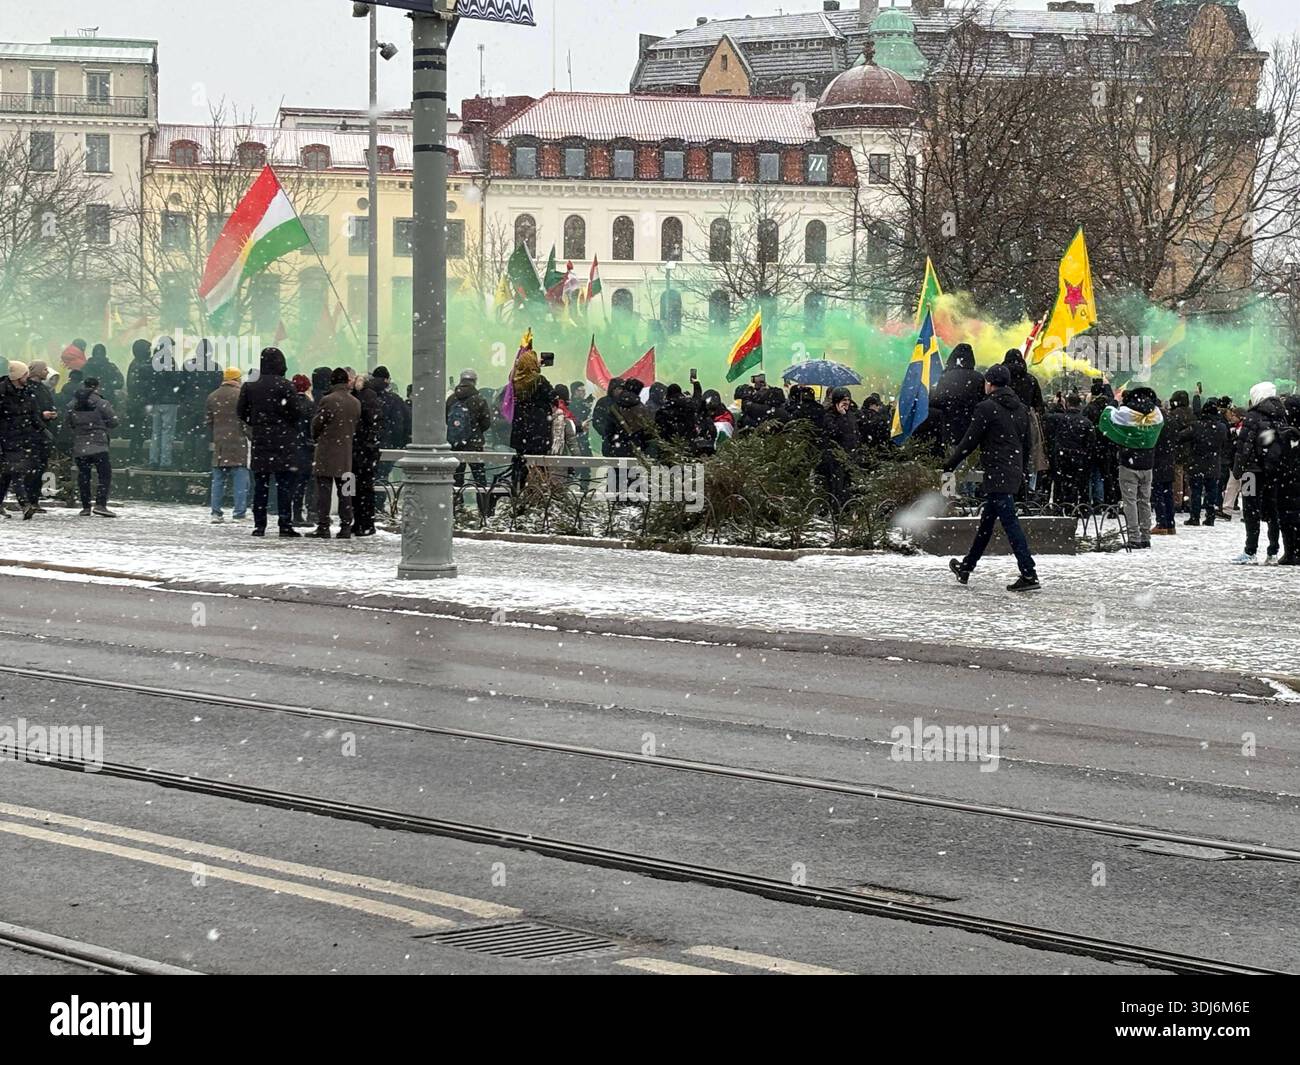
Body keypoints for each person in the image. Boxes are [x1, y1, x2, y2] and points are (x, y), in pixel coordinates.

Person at [944, 364, 1039, 591]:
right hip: (1012, 470)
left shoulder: (986, 408)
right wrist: (1022, 470)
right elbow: (1026, 443)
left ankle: (1029, 573)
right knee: (986, 524)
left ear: (989, 383)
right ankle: (966, 568)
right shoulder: (1021, 408)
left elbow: (970, 440)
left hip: (997, 473)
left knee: (1010, 524)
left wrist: (950, 465)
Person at [236, 347, 302, 538]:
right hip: (284, 441)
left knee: (261, 485)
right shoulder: (286, 385)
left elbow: (241, 412)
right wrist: (285, 423)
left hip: (261, 440)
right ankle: (284, 524)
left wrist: (257, 421)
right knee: (284, 486)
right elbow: (296, 412)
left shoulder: (250, 385)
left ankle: (260, 525)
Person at [1098, 385, 1163, 549]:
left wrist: (1113, 402)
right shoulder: (1157, 414)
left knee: (1130, 502)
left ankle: (1134, 537)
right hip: (1148, 464)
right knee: (1145, 502)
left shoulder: (1126, 413)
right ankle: (1146, 536)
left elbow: (1105, 420)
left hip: (1129, 463)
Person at [1230, 381, 1287, 564]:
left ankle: (1250, 550)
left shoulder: (1253, 416)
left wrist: (1238, 469)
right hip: (1274, 470)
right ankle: (1273, 551)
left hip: (1251, 471)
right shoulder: (1280, 415)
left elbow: (1244, 446)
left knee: (1250, 510)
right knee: (1273, 511)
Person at [311, 368, 362, 539]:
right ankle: (346, 526)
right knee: (346, 491)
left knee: (324, 491)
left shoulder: (328, 400)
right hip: (347, 452)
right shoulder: (355, 402)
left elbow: (317, 424)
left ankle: (323, 526)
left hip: (326, 451)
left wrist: (316, 436)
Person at [0, 360, 49, 519]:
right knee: (16, 472)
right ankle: (25, 505)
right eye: (25, 375)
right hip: (5, 438)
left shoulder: (26, 392)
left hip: (22, 438)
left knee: (8, 474)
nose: (27, 377)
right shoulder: (2, 392)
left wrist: (43, 430)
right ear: (18, 376)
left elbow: (33, 415)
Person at [66, 376, 118, 517]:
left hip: (80, 446)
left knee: (83, 476)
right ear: (97, 387)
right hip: (99, 445)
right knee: (104, 475)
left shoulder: (72, 404)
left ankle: (85, 507)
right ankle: (100, 504)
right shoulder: (102, 403)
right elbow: (114, 421)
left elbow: (69, 423)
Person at [206, 366, 250, 523]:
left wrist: (216, 435)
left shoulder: (212, 396)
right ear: (237, 379)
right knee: (240, 478)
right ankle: (239, 513)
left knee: (218, 480)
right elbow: (246, 420)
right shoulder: (241, 395)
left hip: (220, 443)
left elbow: (209, 422)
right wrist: (251, 436)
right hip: (238, 443)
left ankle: (215, 512)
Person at [508, 348, 555, 491]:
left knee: (521, 465)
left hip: (521, 432)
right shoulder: (539, 381)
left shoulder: (514, 382)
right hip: (538, 432)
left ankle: (518, 493)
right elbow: (553, 397)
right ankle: (537, 496)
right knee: (539, 467)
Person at [1180, 399, 1230, 526]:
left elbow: (1181, 437)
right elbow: (1225, 442)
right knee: (1211, 492)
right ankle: (1210, 516)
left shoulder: (1197, 425)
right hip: (1214, 463)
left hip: (1197, 462)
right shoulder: (1222, 427)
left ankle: (1195, 517)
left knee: (1196, 492)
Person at [446, 369, 492, 506]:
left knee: (456, 479)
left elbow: (446, 420)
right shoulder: (479, 399)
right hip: (474, 445)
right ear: (474, 381)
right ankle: (484, 510)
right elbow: (486, 423)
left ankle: (456, 509)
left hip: (456, 444)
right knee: (479, 480)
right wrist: (475, 432)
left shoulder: (451, 398)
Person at [1042, 393, 1095, 513]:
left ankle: (1060, 506)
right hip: (1080, 458)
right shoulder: (1086, 422)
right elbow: (1091, 443)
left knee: (1060, 483)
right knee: (1080, 484)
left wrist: (1056, 405)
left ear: (1067, 404)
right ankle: (1081, 508)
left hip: (1062, 456)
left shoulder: (1059, 419)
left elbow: (1045, 417)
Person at [929, 343, 984, 451]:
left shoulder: (946, 376)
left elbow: (937, 400)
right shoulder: (978, 377)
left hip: (951, 426)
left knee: (953, 457)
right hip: (972, 427)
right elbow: (983, 401)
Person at [350, 372, 384, 536]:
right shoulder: (368, 397)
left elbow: (371, 422)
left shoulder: (363, 397)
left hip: (360, 451)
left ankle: (362, 522)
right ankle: (364, 522)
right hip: (365, 451)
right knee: (362, 489)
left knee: (358, 489)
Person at [371, 366, 410, 509]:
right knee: (382, 478)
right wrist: (399, 444)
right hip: (386, 446)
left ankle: (363, 508)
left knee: (364, 478)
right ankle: (378, 507)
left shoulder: (363, 396)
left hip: (364, 447)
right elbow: (402, 423)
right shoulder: (394, 400)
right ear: (387, 380)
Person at [818, 386, 859, 507]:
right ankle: (836, 510)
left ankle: (846, 508)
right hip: (834, 458)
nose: (846, 403)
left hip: (849, 455)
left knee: (847, 486)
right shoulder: (829, 416)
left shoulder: (851, 415)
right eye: (843, 400)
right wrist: (842, 417)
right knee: (836, 487)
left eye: (848, 399)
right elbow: (834, 432)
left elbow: (854, 433)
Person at [25, 361, 57, 511]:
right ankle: (28, 500)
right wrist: (41, 415)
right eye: (44, 369)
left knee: (40, 467)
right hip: (32, 433)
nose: (46, 371)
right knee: (32, 468)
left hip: (43, 432)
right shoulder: (28, 388)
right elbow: (26, 410)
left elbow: (49, 405)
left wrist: (52, 414)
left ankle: (34, 500)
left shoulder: (43, 389)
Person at [150, 336, 183, 469]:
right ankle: (165, 461)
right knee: (167, 432)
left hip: (155, 401)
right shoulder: (169, 360)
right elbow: (176, 380)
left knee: (155, 432)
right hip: (169, 401)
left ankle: (153, 460)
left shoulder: (153, 360)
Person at [1275, 394, 1300, 564]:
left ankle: (1290, 551)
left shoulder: (1282, 430)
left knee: (1287, 517)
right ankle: (1292, 551)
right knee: (1290, 516)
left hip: (1286, 479)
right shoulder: (1284, 431)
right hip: (1289, 479)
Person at [290, 375, 316, 527]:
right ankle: (298, 514)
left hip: (289, 448)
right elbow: (312, 428)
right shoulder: (309, 405)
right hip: (305, 449)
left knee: (290, 483)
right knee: (302, 483)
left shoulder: (288, 404)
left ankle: (289, 514)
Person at [125, 338, 156, 466]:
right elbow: (139, 386)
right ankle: (135, 458)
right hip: (139, 404)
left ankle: (135, 457)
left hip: (135, 403)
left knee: (137, 433)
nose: (149, 352)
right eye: (148, 350)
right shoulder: (141, 365)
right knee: (138, 433)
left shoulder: (136, 364)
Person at [1149, 400, 1177, 535]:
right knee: (1168, 492)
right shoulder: (1171, 419)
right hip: (1169, 458)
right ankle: (1171, 523)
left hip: (1157, 458)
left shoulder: (1154, 420)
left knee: (1158, 493)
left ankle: (1161, 523)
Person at [82, 343, 124, 407]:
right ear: (104, 354)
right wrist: (109, 386)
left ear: (93, 354)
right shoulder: (111, 367)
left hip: (90, 401)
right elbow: (120, 382)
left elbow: (80, 383)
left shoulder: (86, 367)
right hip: (108, 400)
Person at [591, 377, 624, 457]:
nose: (621, 391)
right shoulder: (603, 402)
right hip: (609, 443)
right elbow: (596, 420)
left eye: (623, 388)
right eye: (619, 388)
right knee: (612, 467)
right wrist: (607, 433)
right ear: (613, 389)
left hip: (625, 443)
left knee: (626, 467)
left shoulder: (626, 402)